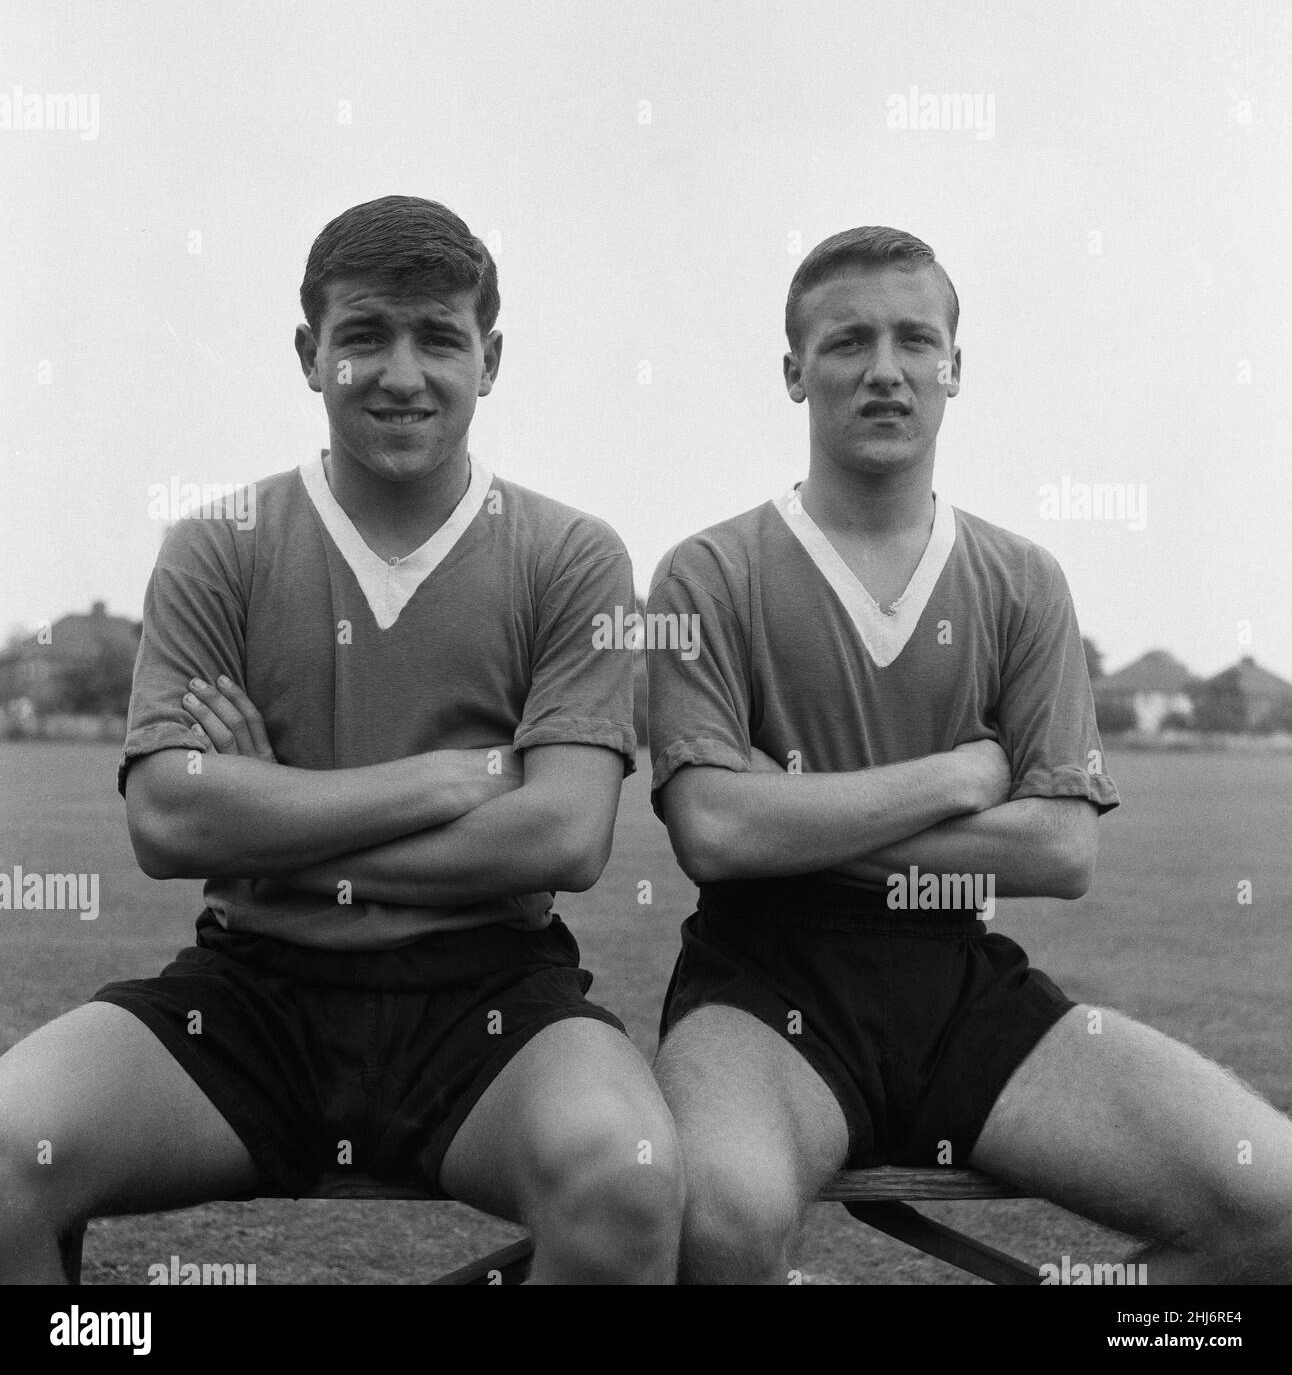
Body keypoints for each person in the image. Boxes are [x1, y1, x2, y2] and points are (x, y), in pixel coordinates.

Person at [0, 195, 681, 1285]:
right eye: (363, 335)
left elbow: (562, 836)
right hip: (252, 990)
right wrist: (442, 778)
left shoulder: (570, 554)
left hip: (486, 996)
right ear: (310, 353)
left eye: (438, 337)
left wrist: (272, 813)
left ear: (489, 357)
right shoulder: (218, 545)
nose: (400, 371)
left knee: (628, 1179)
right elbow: (168, 818)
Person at [645, 225, 1292, 1284]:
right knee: (719, 1220)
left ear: (955, 367)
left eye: (915, 339)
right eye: (847, 340)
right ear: (792, 370)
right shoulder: (707, 574)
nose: (885, 369)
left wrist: (788, 823)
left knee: (1269, 1205)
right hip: (761, 991)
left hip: (960, 987)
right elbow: (713, 834)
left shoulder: (1020, 578)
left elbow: (1057, 852)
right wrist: (957, 775)